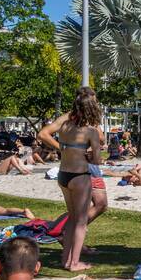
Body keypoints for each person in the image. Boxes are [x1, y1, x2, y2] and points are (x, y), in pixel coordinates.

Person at [37, 86, 104, 270]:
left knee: (72, 220)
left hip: (63, 175)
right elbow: (97, 160)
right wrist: (90, 155)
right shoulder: (90, 130)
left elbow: (44, 134)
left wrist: (63, 148)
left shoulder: (65, 125)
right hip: (80, 176)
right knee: (81, 222)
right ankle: (74, 262)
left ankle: (65, 260)